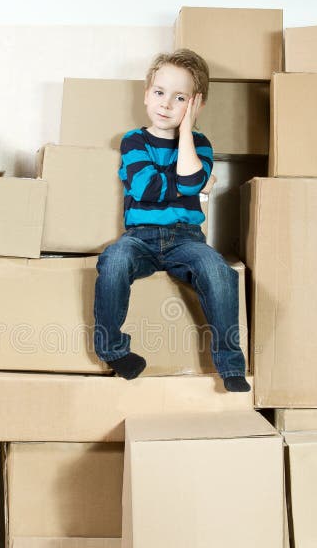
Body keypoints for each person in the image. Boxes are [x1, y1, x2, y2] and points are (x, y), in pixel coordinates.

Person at [93, 49, 250, 393]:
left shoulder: (201, 144)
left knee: (217, 270)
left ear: (195, 106)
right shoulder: (134, 140)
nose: (166, 104)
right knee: (114, 259)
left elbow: (191, 181)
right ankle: (113, 349)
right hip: (140, 237)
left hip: (187, 239)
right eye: (160, 93)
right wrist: (187, 184)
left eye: (179, 98)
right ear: (147, 94)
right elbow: (146, 187)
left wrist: (188, 135)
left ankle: (231, 364)